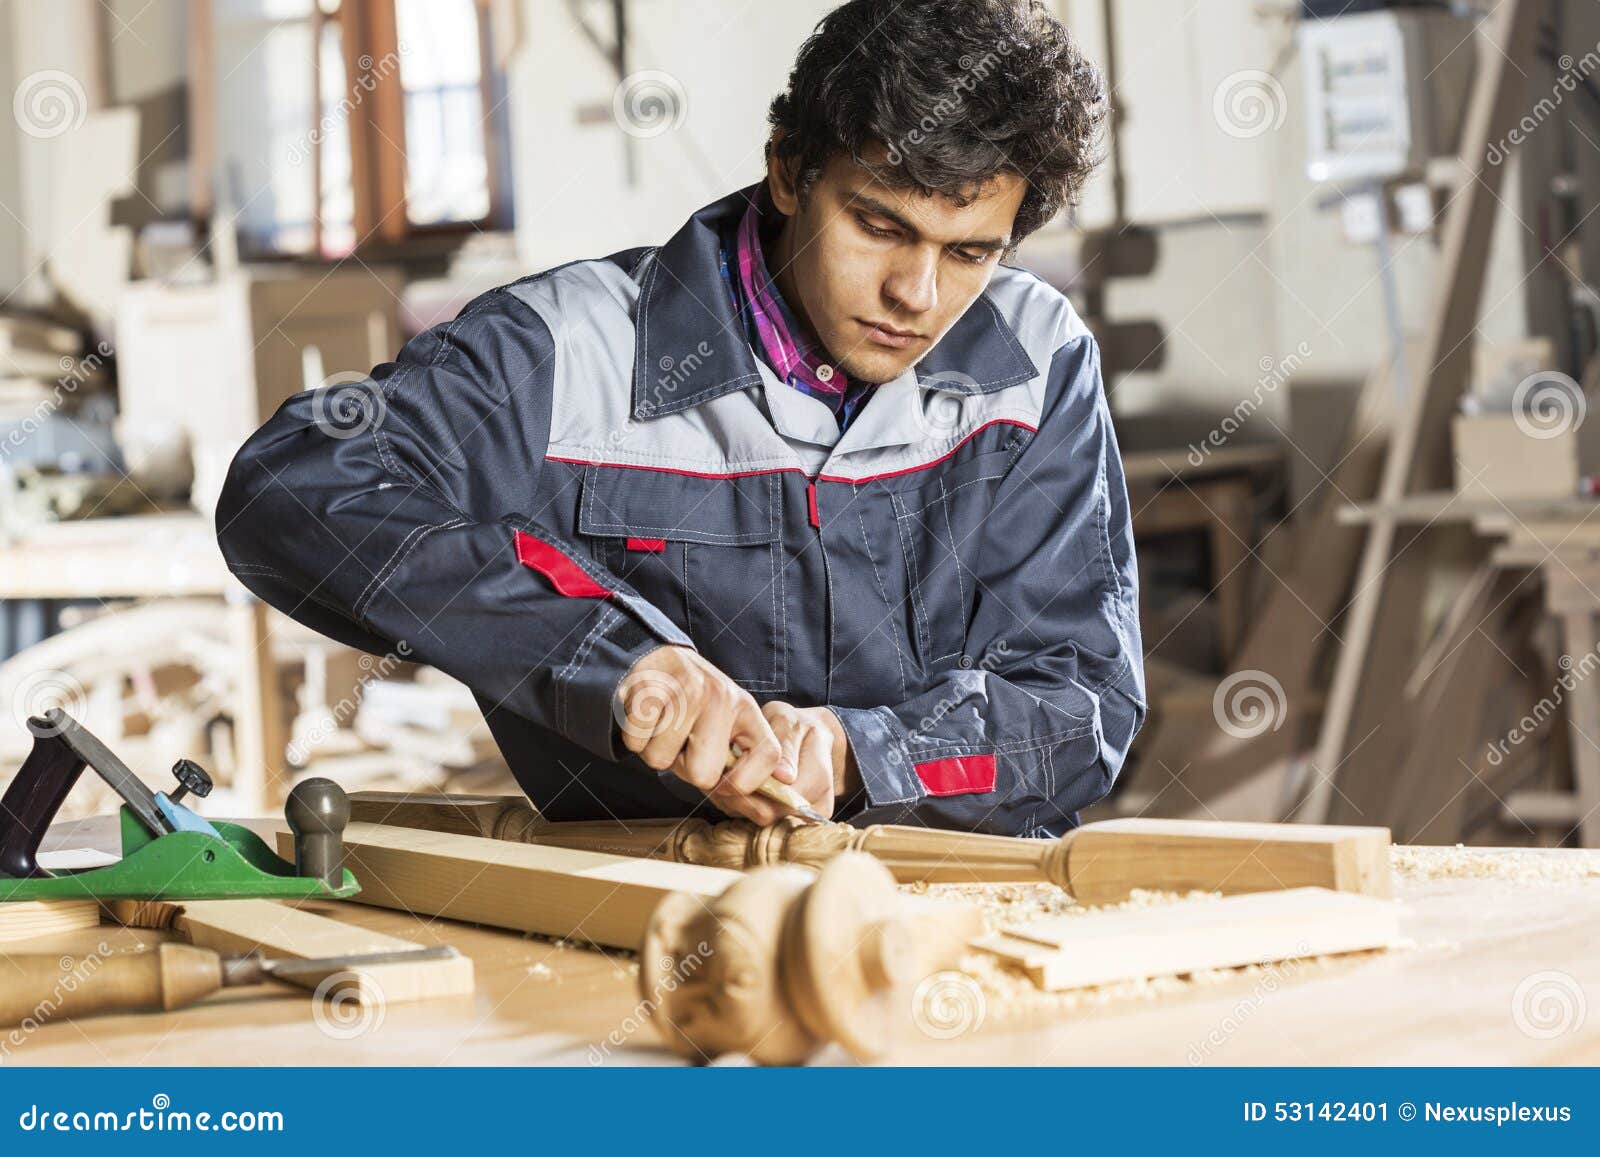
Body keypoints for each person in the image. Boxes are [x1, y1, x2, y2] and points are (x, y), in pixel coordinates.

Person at [216, 0, 1143, 837]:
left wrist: (865, 753)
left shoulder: (1036, 358)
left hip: (952, 933)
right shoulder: (568, 351)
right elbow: (289, 489)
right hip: (641, 931)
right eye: (881, 226)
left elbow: (1082, 704)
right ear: (788, 170)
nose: (916, 293)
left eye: (971, 252)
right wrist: (609, 656)